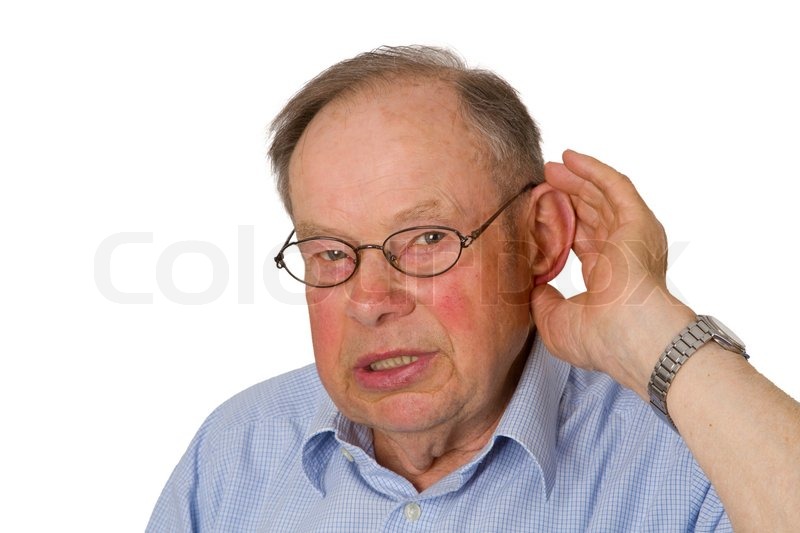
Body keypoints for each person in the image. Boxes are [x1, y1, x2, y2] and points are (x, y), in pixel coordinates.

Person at [147, 46, 800, 532]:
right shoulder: (234, 452)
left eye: (427, 238)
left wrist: (653, 333)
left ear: (540, 238)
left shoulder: (701, 457)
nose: (369, 301)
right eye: (331, 253)